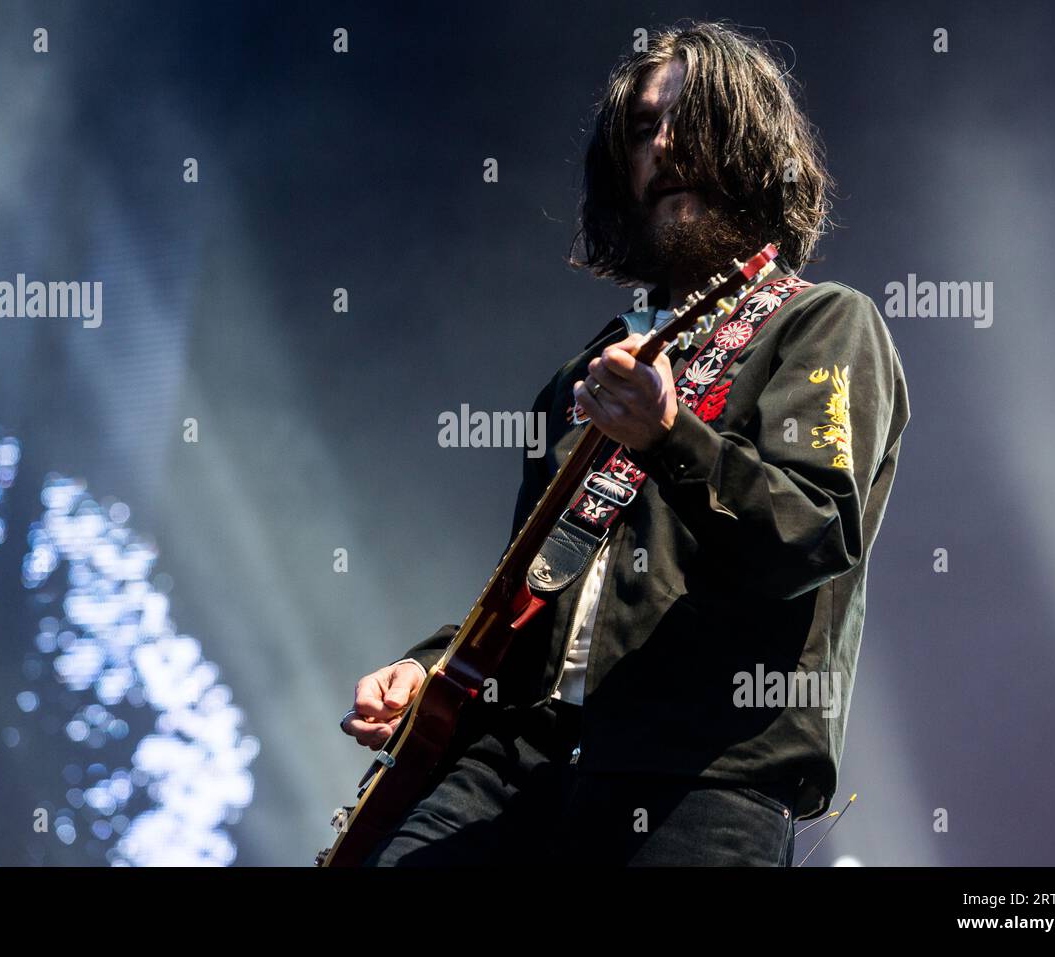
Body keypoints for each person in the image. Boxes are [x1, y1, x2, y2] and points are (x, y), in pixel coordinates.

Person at [339, 20, 910, 866]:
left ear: (752, 144)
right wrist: (432, 667)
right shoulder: (581, 374)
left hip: (698, 773)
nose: (666, 143)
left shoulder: (823, 324)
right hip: (517, 762)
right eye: (643, 127)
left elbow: (812, 534)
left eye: (694, 118)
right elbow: (536, 590)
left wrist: (671, 434)